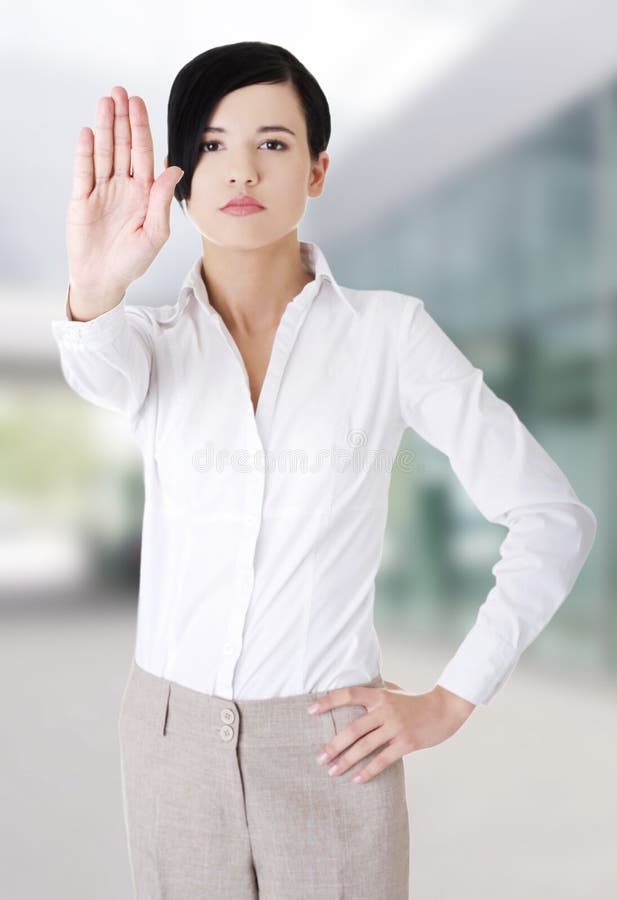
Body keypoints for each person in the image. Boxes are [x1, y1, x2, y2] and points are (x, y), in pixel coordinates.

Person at [51, 41, 597, 900]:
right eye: (212, 144)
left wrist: (451, 699)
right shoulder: (146, 344)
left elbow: (552, 519)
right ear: (179, 177)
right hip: (168, 741)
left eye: (271, 143)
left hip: (328, 746)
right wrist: (94, 281)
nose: (240, 169)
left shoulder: (391, 334)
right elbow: (95, 370)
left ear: (316, 170)